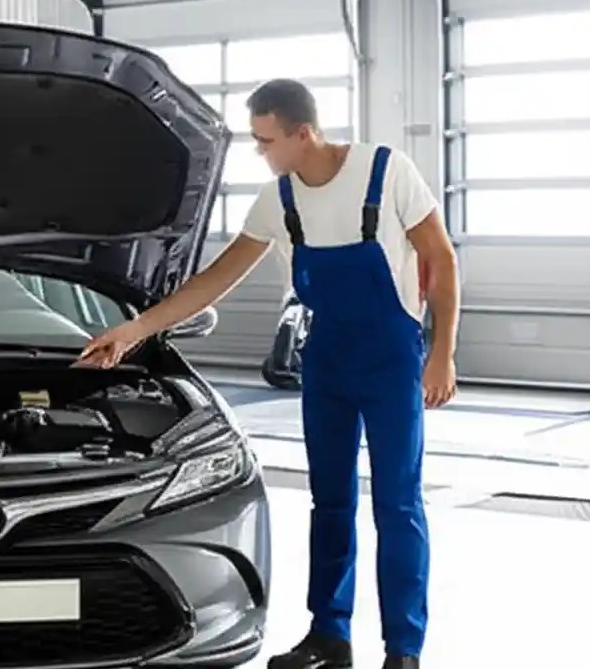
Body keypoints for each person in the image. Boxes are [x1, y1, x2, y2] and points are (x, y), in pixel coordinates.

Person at [77, 78, 460, 669]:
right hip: (327, 363)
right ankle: (329, 635)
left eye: (266, 140)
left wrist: (442, 355)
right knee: (329, 503)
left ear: (302, 133)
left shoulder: (387, 173)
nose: (261, 152)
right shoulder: (279, 199)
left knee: (397, 505)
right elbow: (214, 280)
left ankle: (403, 649)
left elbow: (441, 259)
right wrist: (135, 330)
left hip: (392, 364)